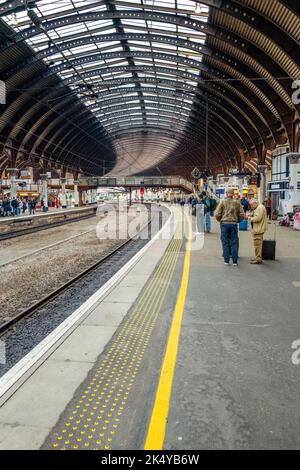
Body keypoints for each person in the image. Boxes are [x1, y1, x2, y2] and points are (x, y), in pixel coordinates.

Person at [215, 189, 244, 266]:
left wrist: (220, 220)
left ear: (227, 194)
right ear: (233, 194)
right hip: (233, 224)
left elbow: (217, 214)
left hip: (224, 224)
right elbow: (242, 214)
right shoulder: (237, 202)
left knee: (225, 242)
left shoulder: (223, 202)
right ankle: (234, 261)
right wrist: (237, 221)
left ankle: (226, 260)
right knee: (234, 242)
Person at [247, 199, 268, 265]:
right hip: (258, 228)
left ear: (255, 203)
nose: (251, 207)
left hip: (258, 229)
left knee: (257, 245)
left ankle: (258, 259)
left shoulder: (260, 208)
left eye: (252, 205)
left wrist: (250, 218)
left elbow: (257, 218)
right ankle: (257, 257)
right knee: (257, 244)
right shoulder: (260, 207)